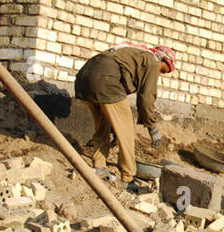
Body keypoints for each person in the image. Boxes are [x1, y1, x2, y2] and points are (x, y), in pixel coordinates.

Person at [74, 44, 174, 189]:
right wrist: (152, 128)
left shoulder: (133, 53)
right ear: (162, 59)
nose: (160, 74)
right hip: (106, 80)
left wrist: (115, 128)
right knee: (127, 131)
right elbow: (146, 98)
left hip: (84, 78)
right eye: (163, 70)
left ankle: (99, 166)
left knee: (103, 125)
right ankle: (128, 178)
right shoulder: (152, 61)